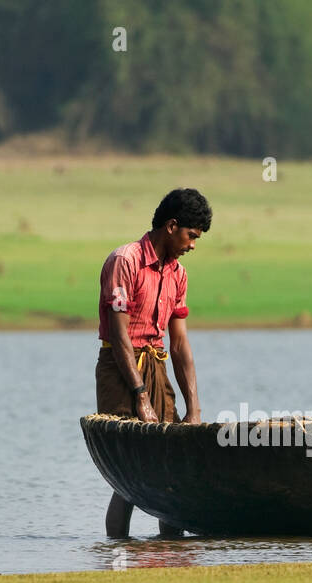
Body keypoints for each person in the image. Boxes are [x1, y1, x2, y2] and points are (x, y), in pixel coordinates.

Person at [96, 187, 210, 538]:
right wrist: (140, 396)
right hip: (120, 368)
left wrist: (193, 409)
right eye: (191, 236)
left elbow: (178, 344)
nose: (193, 245)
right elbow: (119, 336)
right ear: (172, 226)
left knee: (171, 467)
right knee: (130, 468)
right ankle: (118, 554)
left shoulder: (178, 274)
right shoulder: (125, 261)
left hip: (156, 366)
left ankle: (171, 549)